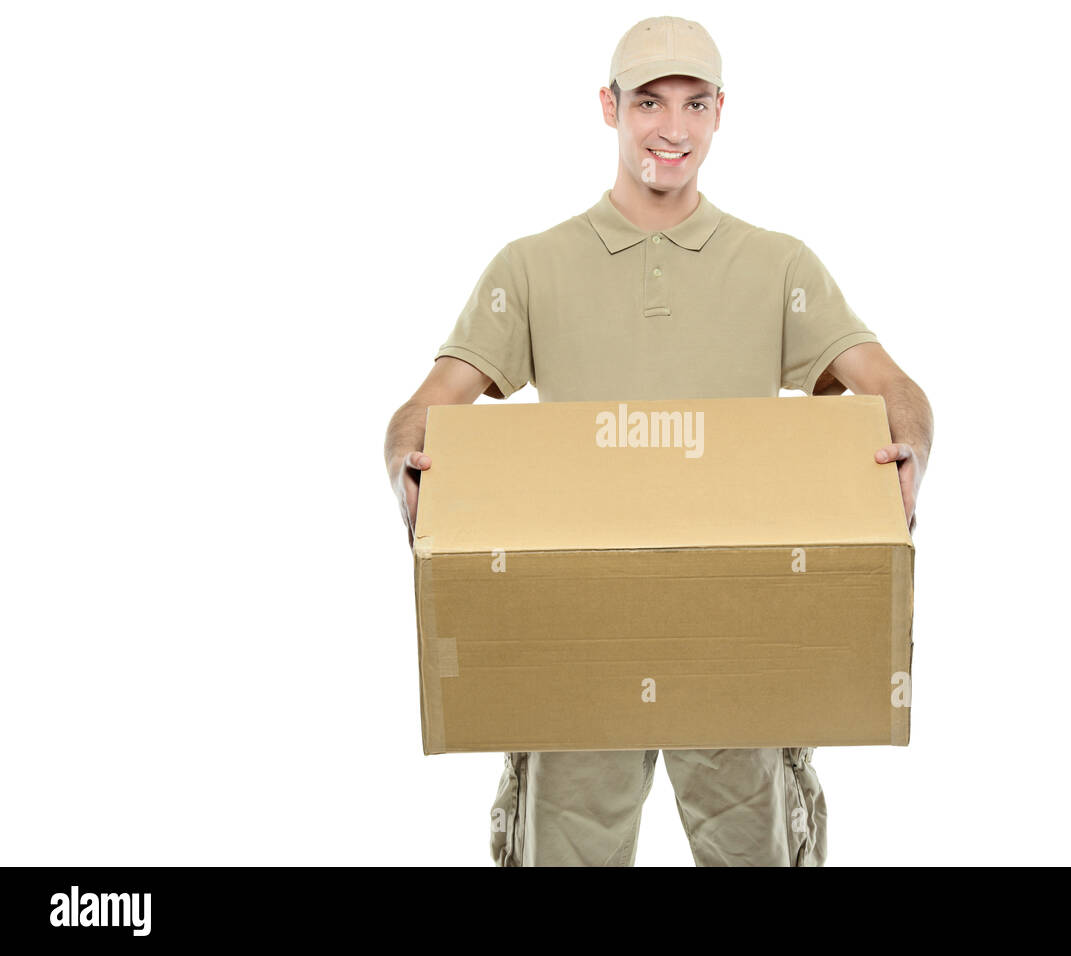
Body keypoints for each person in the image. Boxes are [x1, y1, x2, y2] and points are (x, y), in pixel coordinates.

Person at [383, 15, 933, 866]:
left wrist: (910, 450)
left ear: (721, 113)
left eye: (694, 103)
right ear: (608, 107)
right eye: (648, 102)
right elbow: (428, 407)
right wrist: (407, 465)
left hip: (738, 630)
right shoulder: (532, 267)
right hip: (579, 633)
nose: (671, 129)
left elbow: (893, 387)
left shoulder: (778, 266)